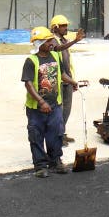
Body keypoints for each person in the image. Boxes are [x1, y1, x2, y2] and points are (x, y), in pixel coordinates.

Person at [22, 26, 78, 178]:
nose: (52, 42)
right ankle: (40, 166)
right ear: (39, 43)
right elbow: (28, 84)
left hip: (55, 106)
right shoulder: (31, 61)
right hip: (36, 109)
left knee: (56, 134)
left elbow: (62, 74)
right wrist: (41, 102)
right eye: (48, 41)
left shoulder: (54, 55)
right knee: (36, 136)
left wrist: (73, 82)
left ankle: (55, 161)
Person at [50, 14, 86, 146]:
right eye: (63, 26)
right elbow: (58, 49)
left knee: (67, 109)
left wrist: (73, 80)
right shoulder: (52, 40)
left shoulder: (64, 40)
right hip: (58, 80)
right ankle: (57, 136)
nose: (66, 28)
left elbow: (68, 62)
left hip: (67, 79)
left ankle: (62, 133)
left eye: (66, 25)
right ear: (55, 27)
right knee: (59, 110)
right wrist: (75, 41)